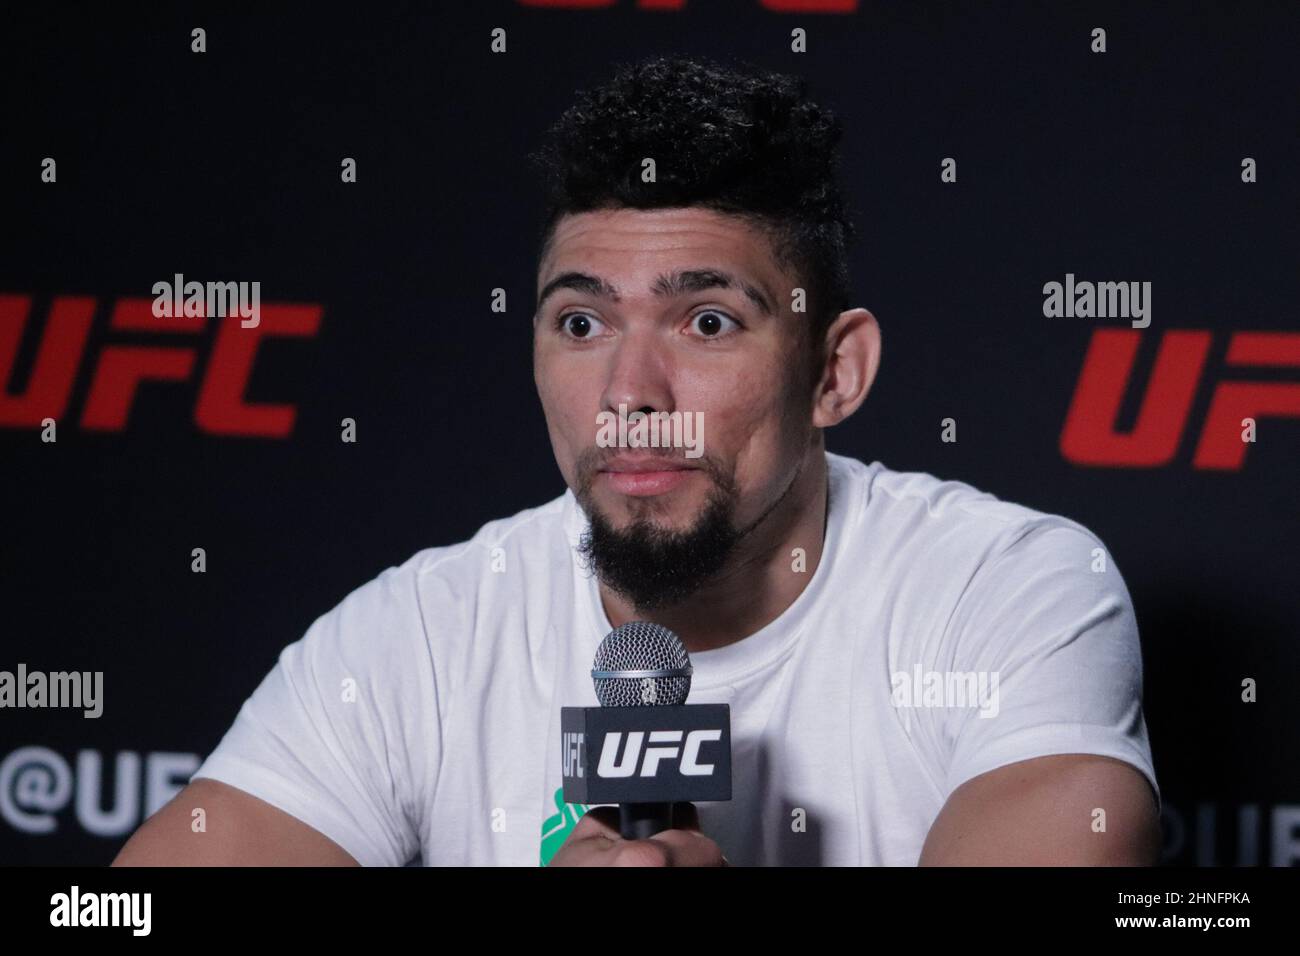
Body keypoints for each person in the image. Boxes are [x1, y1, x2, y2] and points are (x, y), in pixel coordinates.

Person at [114, 54, 1160, 867]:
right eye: (580, 323)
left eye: (706, 320)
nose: (628, 393)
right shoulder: (423, 632)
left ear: (834, 372)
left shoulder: (1004, 586)